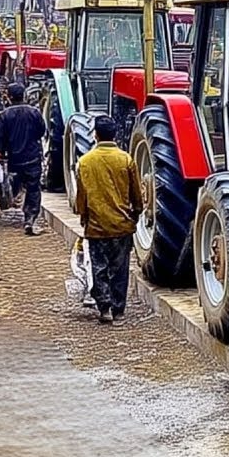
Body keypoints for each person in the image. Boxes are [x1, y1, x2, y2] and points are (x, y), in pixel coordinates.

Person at [74, 115, 142, 325]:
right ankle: (119, 311)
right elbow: (136, 193)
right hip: (122, 225)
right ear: (115, 134)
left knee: (99, 267)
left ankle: (104, 307)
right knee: (120, 270)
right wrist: (136, 212)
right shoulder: (125, 159)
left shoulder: (85, 162)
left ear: (95, 134)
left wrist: (83, 216)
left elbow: (81, 197)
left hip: (96, 226)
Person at [0, 82, 47, 235]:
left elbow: (0, 136)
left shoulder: (5, 115)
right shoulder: (34, 112)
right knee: (33, 188)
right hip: (32, 157)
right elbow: (41, 131)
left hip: (14, 158)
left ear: (9, 97)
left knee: (16, 182)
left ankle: (14, 199)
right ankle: (30, 218)